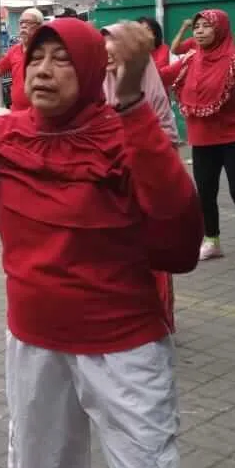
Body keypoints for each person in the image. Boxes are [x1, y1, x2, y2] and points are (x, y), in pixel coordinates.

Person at [0, 19, 202, 468]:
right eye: (36, 58)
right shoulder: (7, 133)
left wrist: (130, 103)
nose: (42, 70)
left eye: (61, 59)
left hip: (123, 348)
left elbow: (178, 230)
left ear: (89, 70)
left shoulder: (121, 132)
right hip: (33, 344)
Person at [164, 9, 235, 270]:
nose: (198, 31)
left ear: (220, 29)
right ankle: (212, 240)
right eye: (196, 26)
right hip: (202, 137)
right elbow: (163, 74)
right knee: (205, 193)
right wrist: (131, 64)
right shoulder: (190, 59)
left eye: (205, 26)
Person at [103, 24, 180, 334]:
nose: (107, 53)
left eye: (115, 47)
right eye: (103, 47)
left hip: (147, 180)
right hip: (108, 185)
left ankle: (158, 320)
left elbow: (166, 135)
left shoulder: (147, 82)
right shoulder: (93, 83)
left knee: (152, 255)